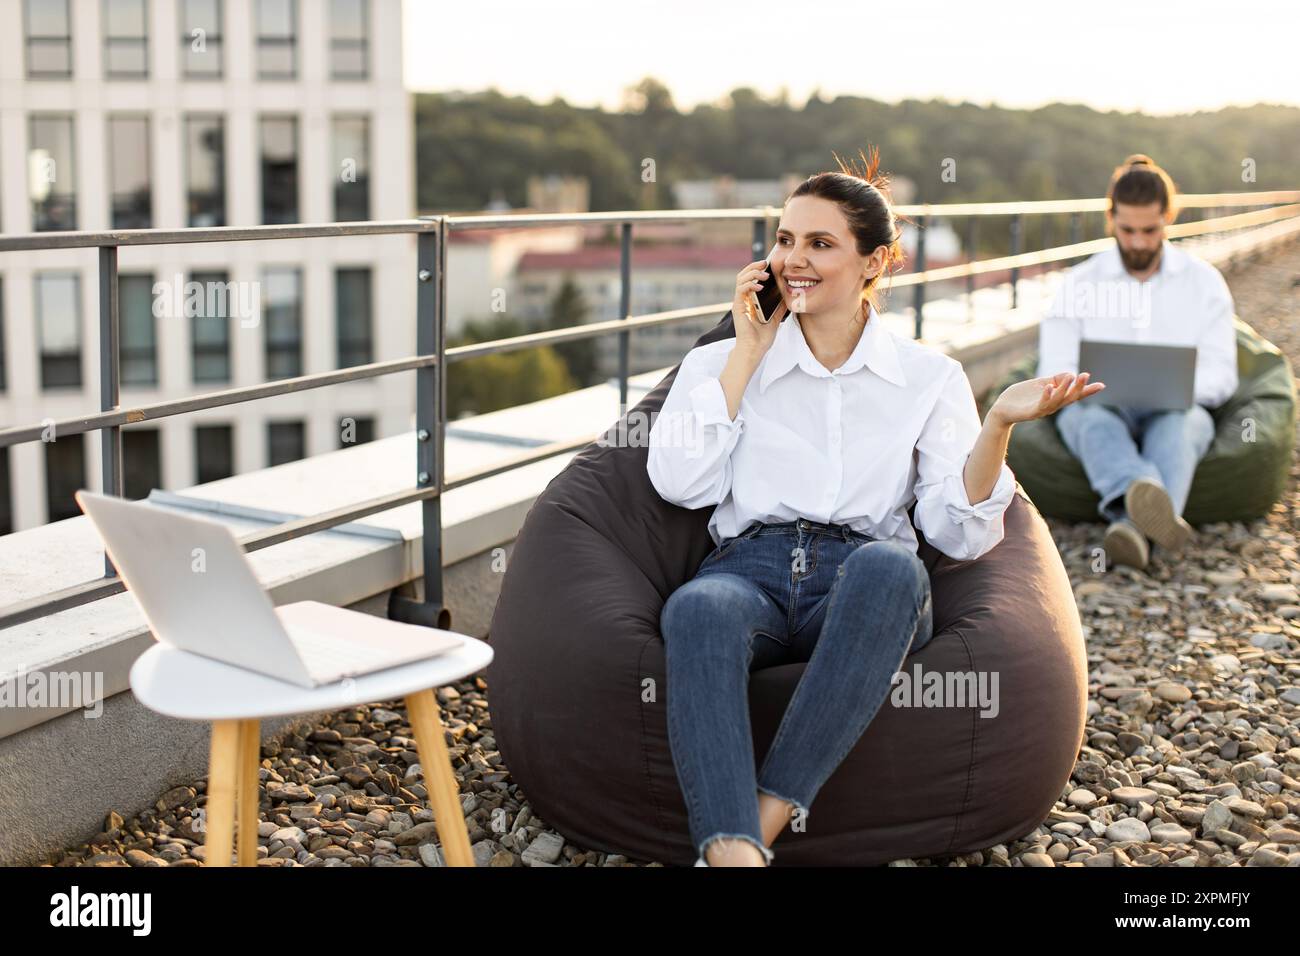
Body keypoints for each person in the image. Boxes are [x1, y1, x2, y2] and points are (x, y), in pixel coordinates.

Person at [645, 148, 1102, 867]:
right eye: (785, 240)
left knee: (893, 569)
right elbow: (679, 482)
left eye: (820, 243)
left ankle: (755, 824)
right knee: (697, 610)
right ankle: (735, 854)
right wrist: (744, 355)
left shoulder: (928, 377)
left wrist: (997, 426)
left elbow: (957, 529)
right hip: (748, 570)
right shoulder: (719, 362)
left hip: (863, 583)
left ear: (876, 263)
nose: (794, 259)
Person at [1038, 154, 1238, 570]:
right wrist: (1085, 388)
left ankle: (1130, 527)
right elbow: (1053, 368)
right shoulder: (1079, 283)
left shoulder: (1203, 283)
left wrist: (1174, 387)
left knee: (1182, 428)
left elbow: (1223, 375)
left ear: (1169, 218)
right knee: (1091, 421)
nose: (1139, 242)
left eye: (1150, 230)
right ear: (1110, 219)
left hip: (1178, 409)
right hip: (1098, 407)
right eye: (1127, 230)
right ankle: (1146, 509)